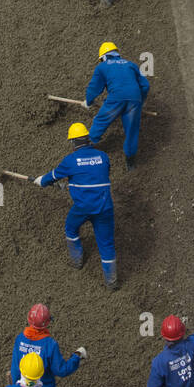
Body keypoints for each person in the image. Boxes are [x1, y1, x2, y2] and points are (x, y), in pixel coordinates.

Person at [33, 122, 118, 289]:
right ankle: (112, 282)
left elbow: (51, 177)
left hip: (83, 207)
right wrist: (72, 185)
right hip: (105, 206)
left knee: (71, 228)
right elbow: (97, 178)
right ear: (87, 139)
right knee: (106, 244)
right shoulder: (103, 156)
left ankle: (77, 261)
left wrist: (40, 180)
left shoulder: (71, 160)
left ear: (73, 142)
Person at [84, 42, 150, 171]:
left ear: (103, 57)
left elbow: (94, 88)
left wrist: (88, 101)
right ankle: (130, 162)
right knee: (132, 130)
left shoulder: (102, 67)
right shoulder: (131, 65)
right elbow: (145, 86)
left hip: (116, 98)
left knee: (101, 121)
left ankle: (87, 148)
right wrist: (139, 102)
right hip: (134, 99)